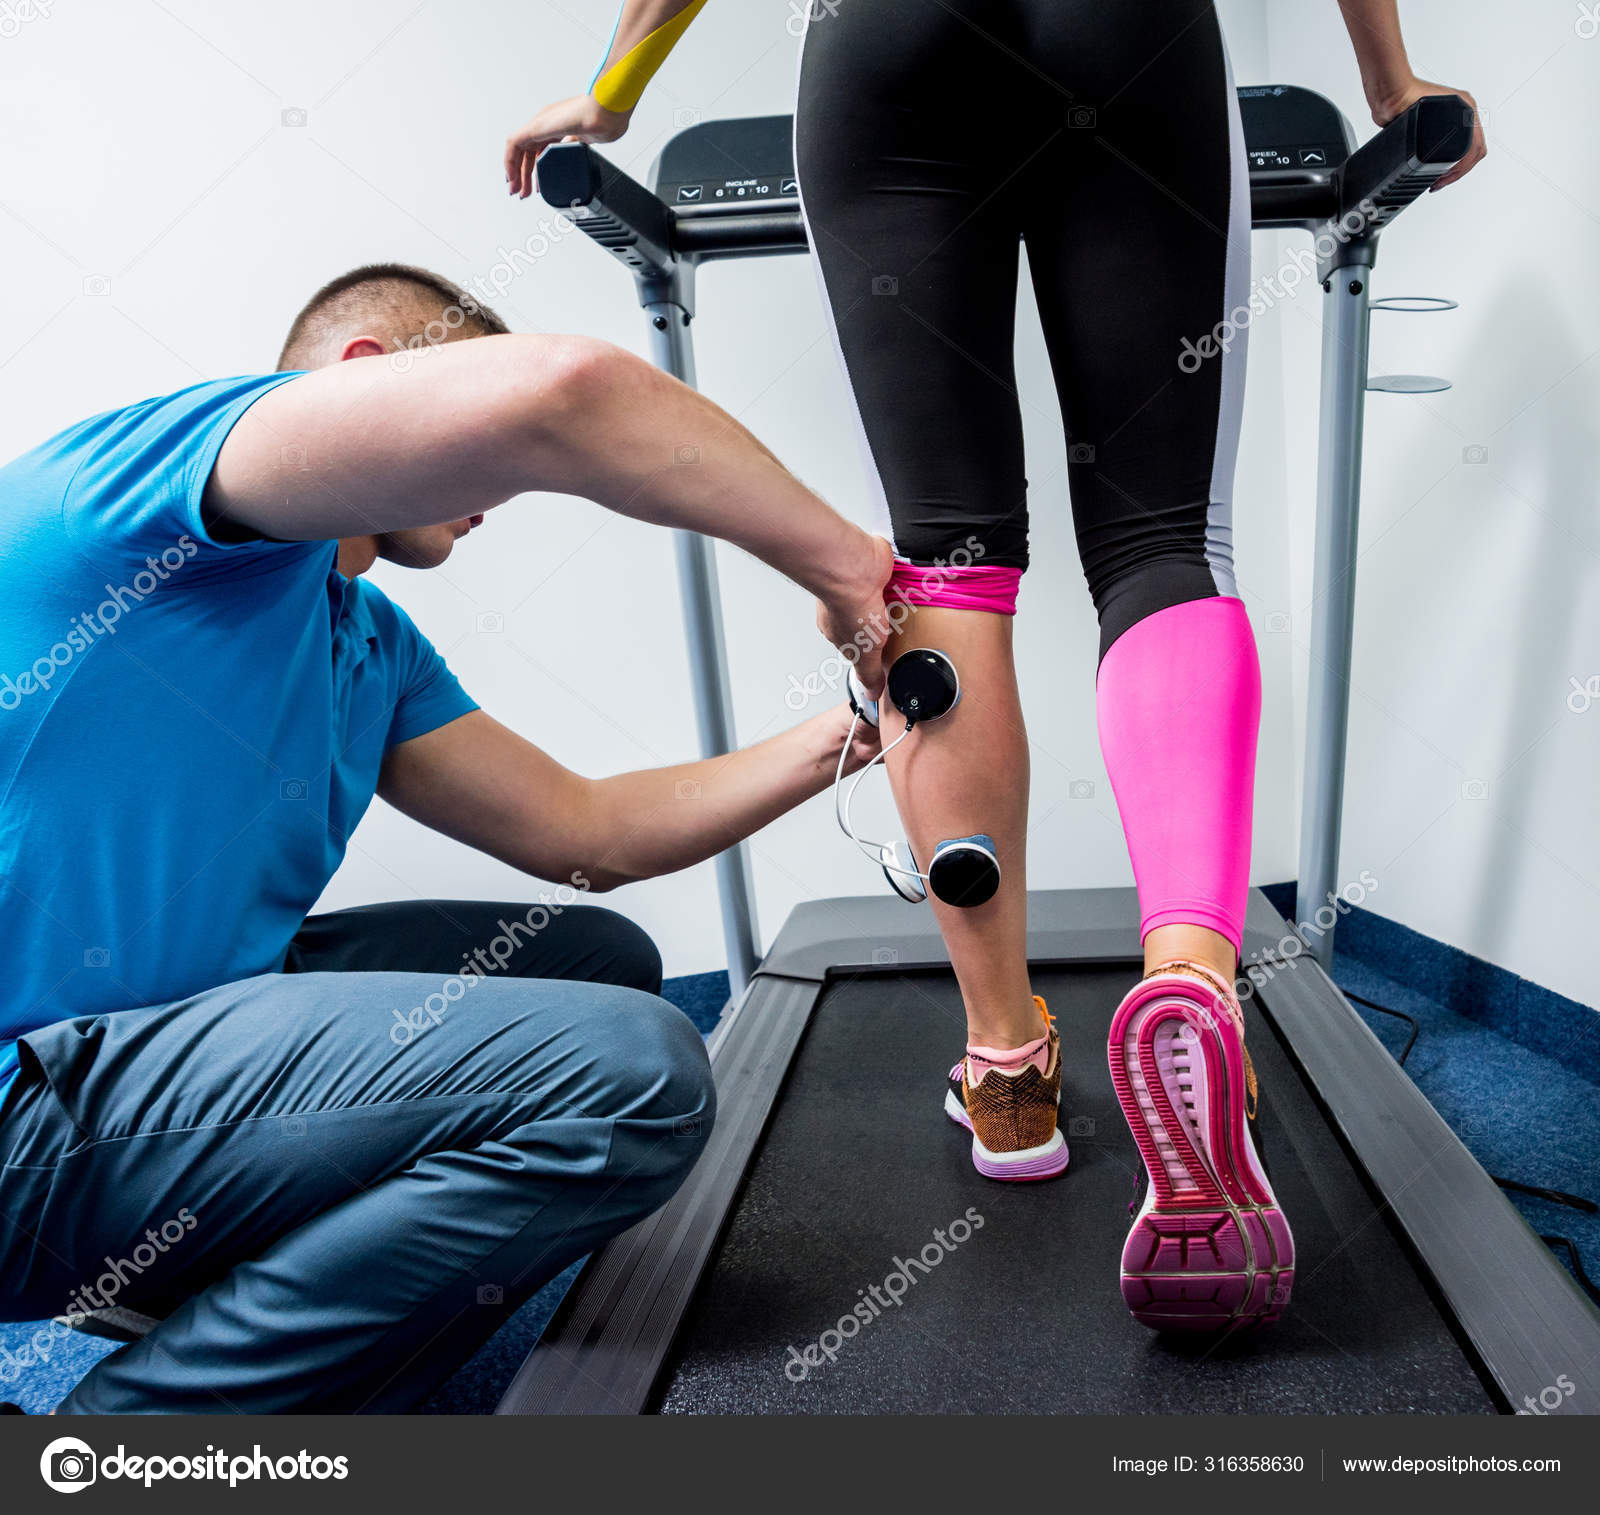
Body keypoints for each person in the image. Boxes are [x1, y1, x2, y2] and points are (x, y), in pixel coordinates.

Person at [504, 0, 1483, 1331]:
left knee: (947, 563)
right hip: (1120, 35)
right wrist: (1388, 78)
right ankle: (1194, 982)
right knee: (1162, 539)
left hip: (883, 45)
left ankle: (1007, 1063)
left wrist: (611, 93)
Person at [0, 262, 888, 1412]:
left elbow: (589, 831)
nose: (496, 494)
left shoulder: (364, 635)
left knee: (596, 958)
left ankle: (191, 1260)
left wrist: (854, 730)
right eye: (471, 442)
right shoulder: (139, 486)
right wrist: (849, 570)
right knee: (632, 1079)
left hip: (134, 1062)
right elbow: (561, 394)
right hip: (26, 1109)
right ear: (364, 382)